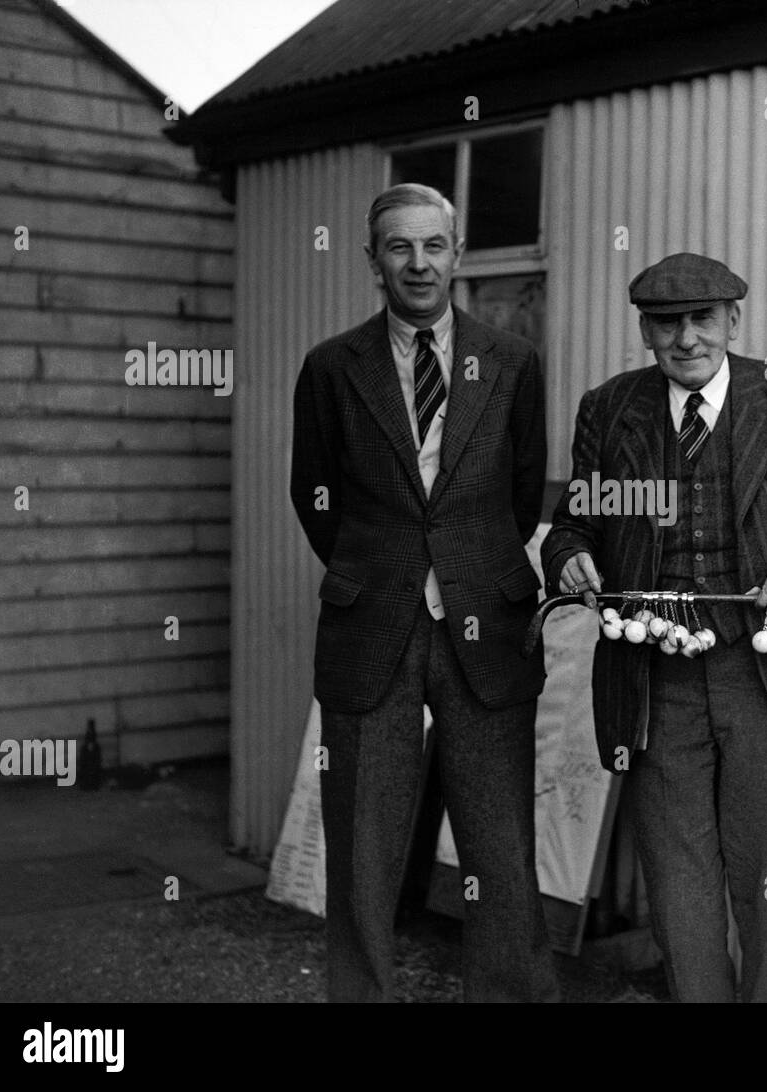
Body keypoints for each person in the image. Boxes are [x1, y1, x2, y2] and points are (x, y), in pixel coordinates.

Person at [542, 253, 767, 1002]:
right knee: (682, 901)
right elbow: (575, 524)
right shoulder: (609, 408)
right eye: (666, 323)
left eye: (702, 319)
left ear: (733, 319)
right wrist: (569, 559)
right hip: (658, 686)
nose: (686, 338)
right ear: (645, 329)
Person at [290, 183, 557, 1002]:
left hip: (488, 620)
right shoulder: (333, 367)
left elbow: (519, 496)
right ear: (373, 261)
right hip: (374, 627)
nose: (418, 263)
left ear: (457, 253)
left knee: (499, 843)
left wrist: (468, 567)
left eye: (433, 246)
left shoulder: (510, 361)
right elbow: (315, 495)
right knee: (364, 844)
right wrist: (382, 573)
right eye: (399, 248)